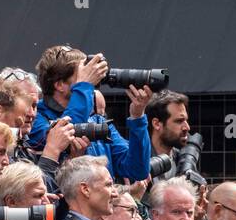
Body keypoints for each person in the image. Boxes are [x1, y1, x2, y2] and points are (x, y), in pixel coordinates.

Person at [28, 45, 152, 183]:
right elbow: (69, 131)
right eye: (83, 74)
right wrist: (84, 85)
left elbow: (137, 170)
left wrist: (138, 117)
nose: (91, 80)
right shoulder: (36, 119)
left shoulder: (97, 121)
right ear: (60, 85)